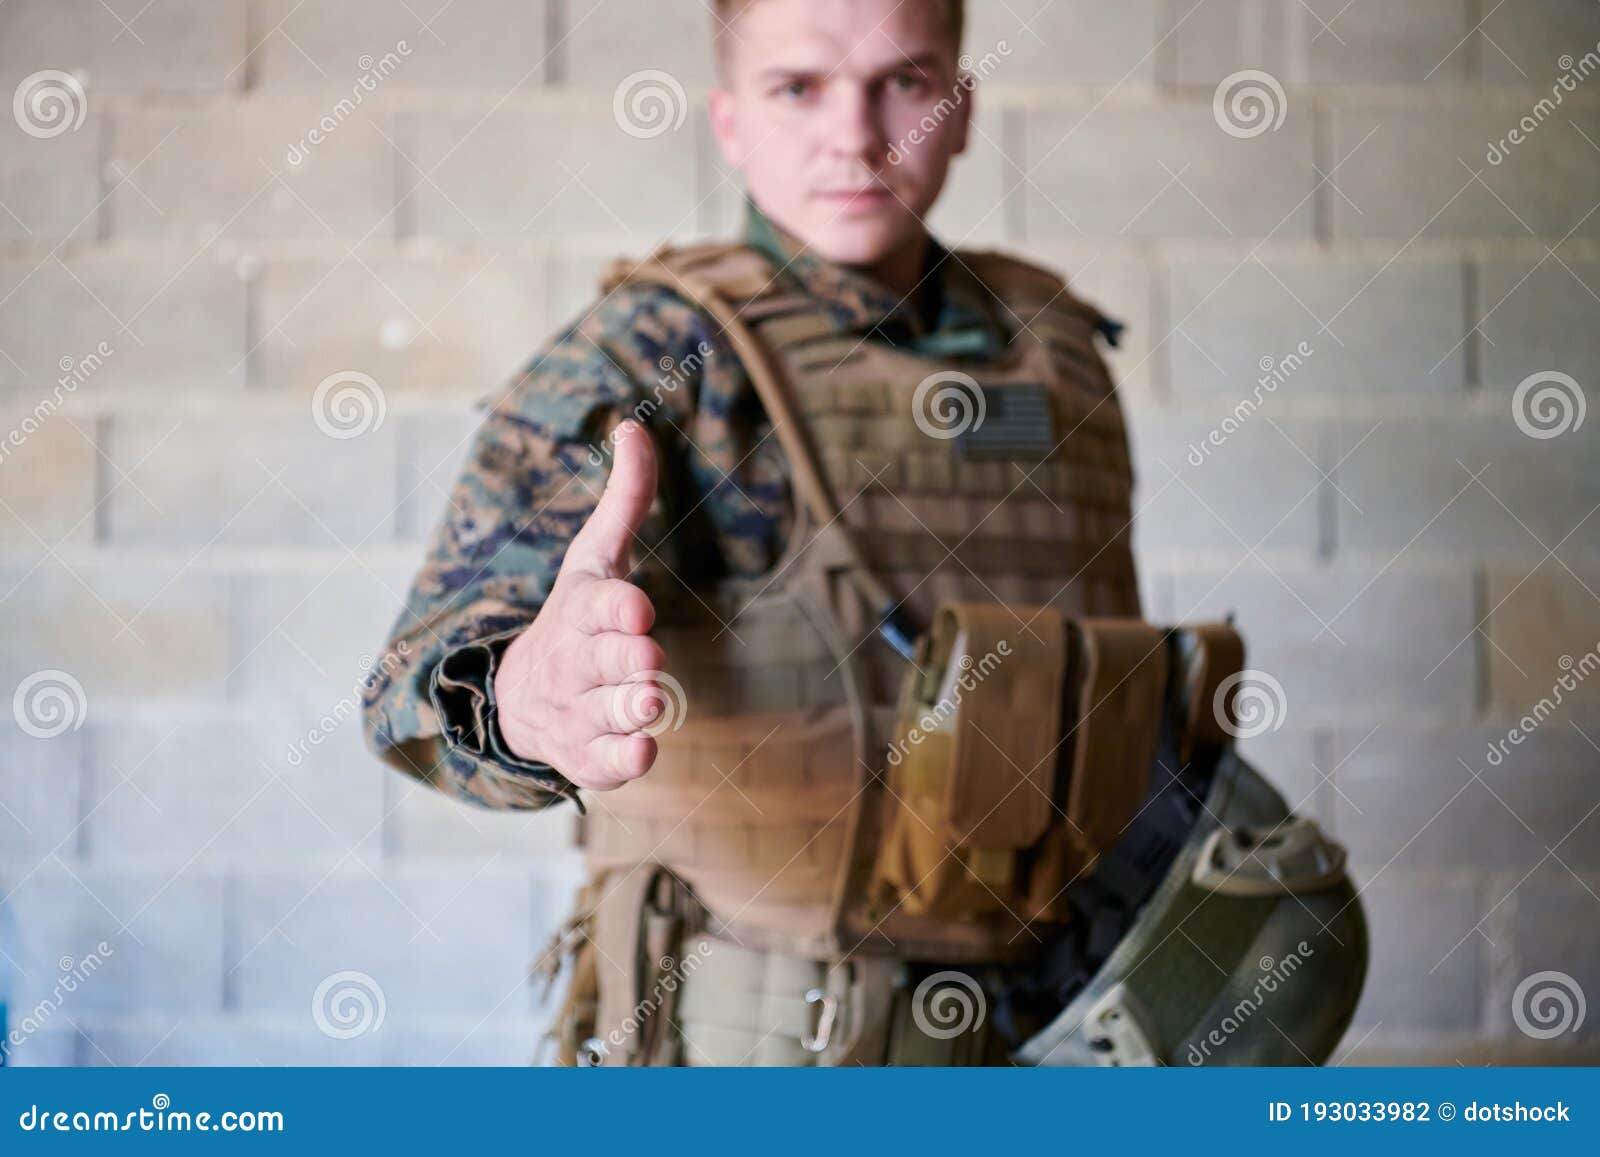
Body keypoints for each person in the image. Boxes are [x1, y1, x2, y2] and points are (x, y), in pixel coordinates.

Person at [360, 0, 1365, 1067]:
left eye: (905, 82)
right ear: (730, 120)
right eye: (797, 88)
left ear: (962, 109)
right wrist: (521, 699)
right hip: (755, 1045)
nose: (854, 133)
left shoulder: (1057, 353)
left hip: (1060, 1032)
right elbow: (417, 677)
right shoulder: (658, 350)